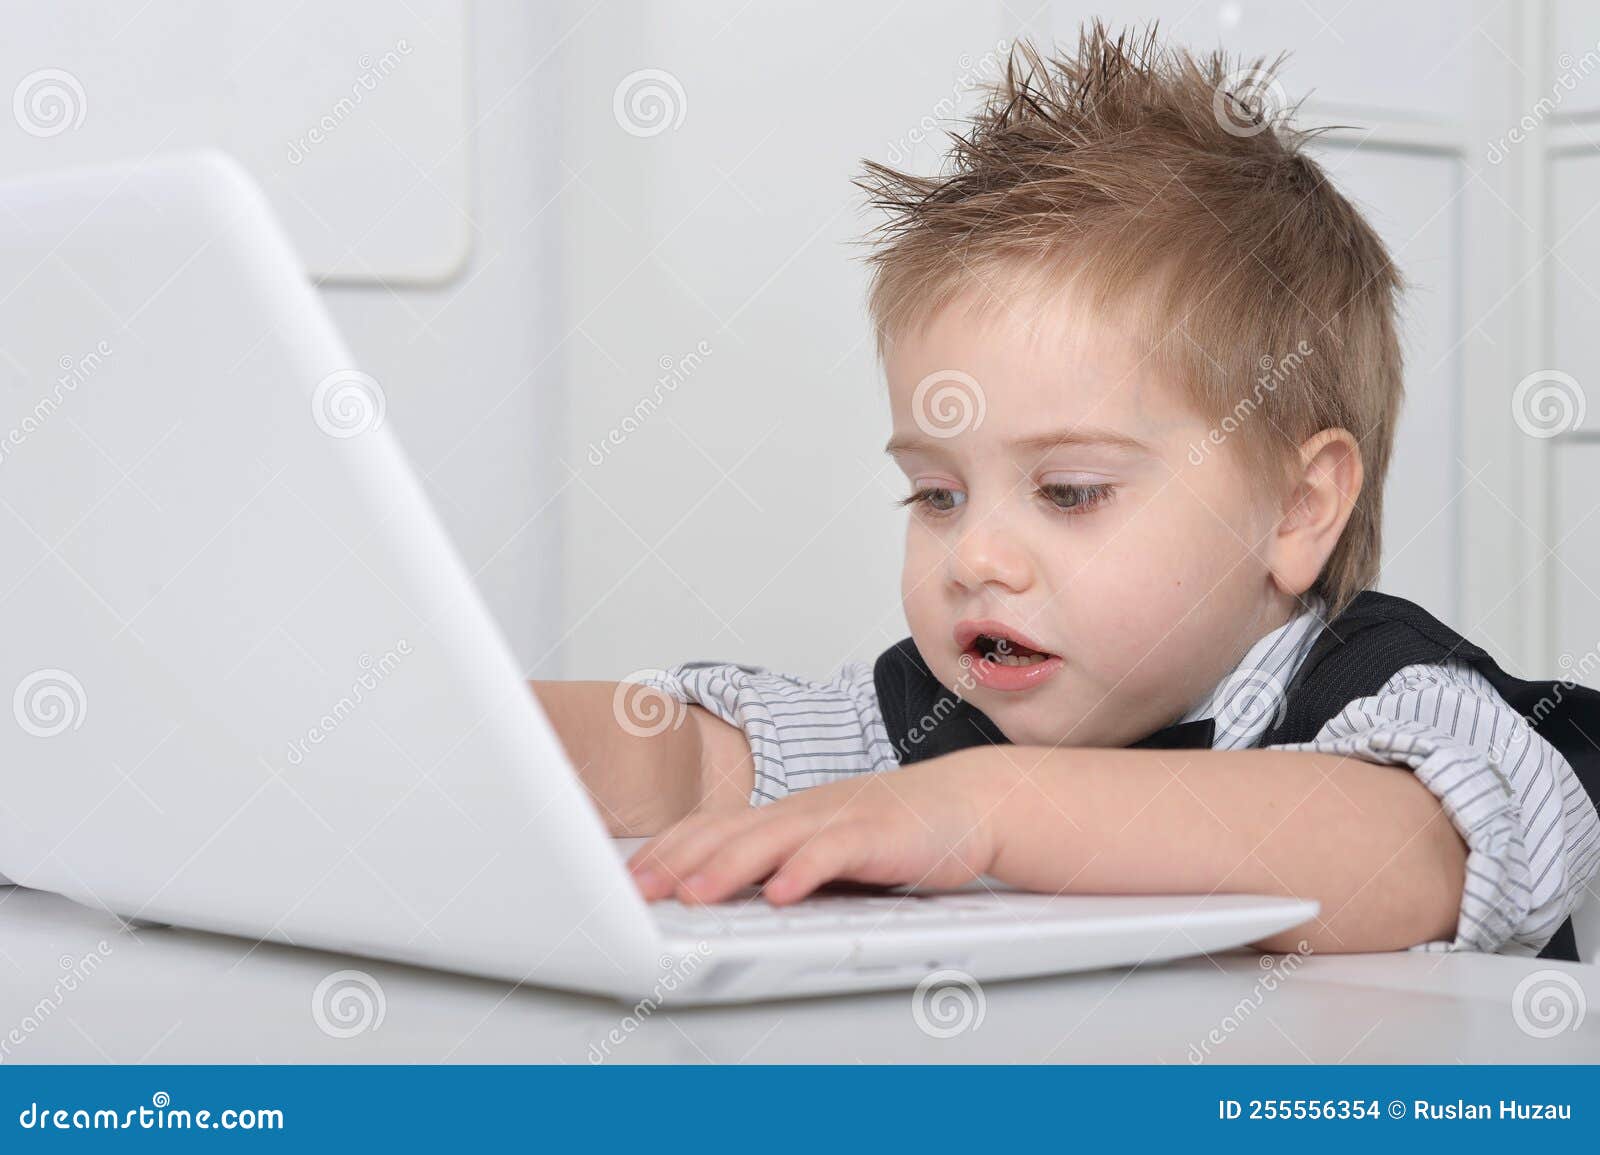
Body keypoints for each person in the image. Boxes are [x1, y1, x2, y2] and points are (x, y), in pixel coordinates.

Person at [534, 23, 1600, 959]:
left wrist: (982, 810)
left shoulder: (1396, 704)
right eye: (937, 496)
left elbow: (1407, 855)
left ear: (1296, 508)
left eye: (1071, 492)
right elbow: (686, 762)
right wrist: (462, 728)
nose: (976, 558)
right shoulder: (937, 718)